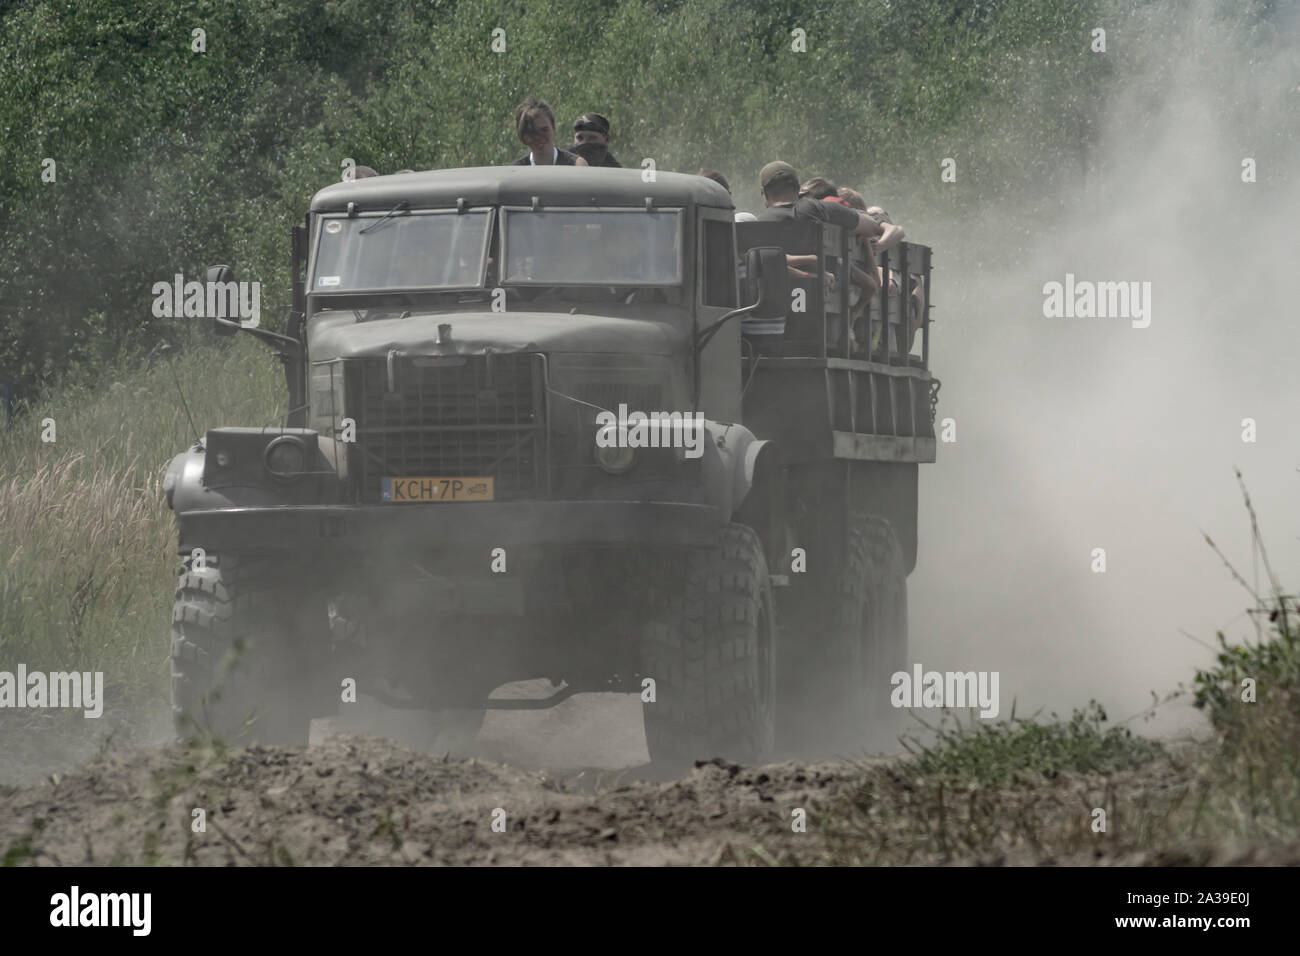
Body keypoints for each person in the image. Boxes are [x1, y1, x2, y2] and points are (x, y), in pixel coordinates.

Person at [512, 98, 588, 166]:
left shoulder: (576, 165)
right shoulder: (516, 171)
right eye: (532, 132)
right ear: (523, 136)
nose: (538, 137)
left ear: (553, 128)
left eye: (544, 130)